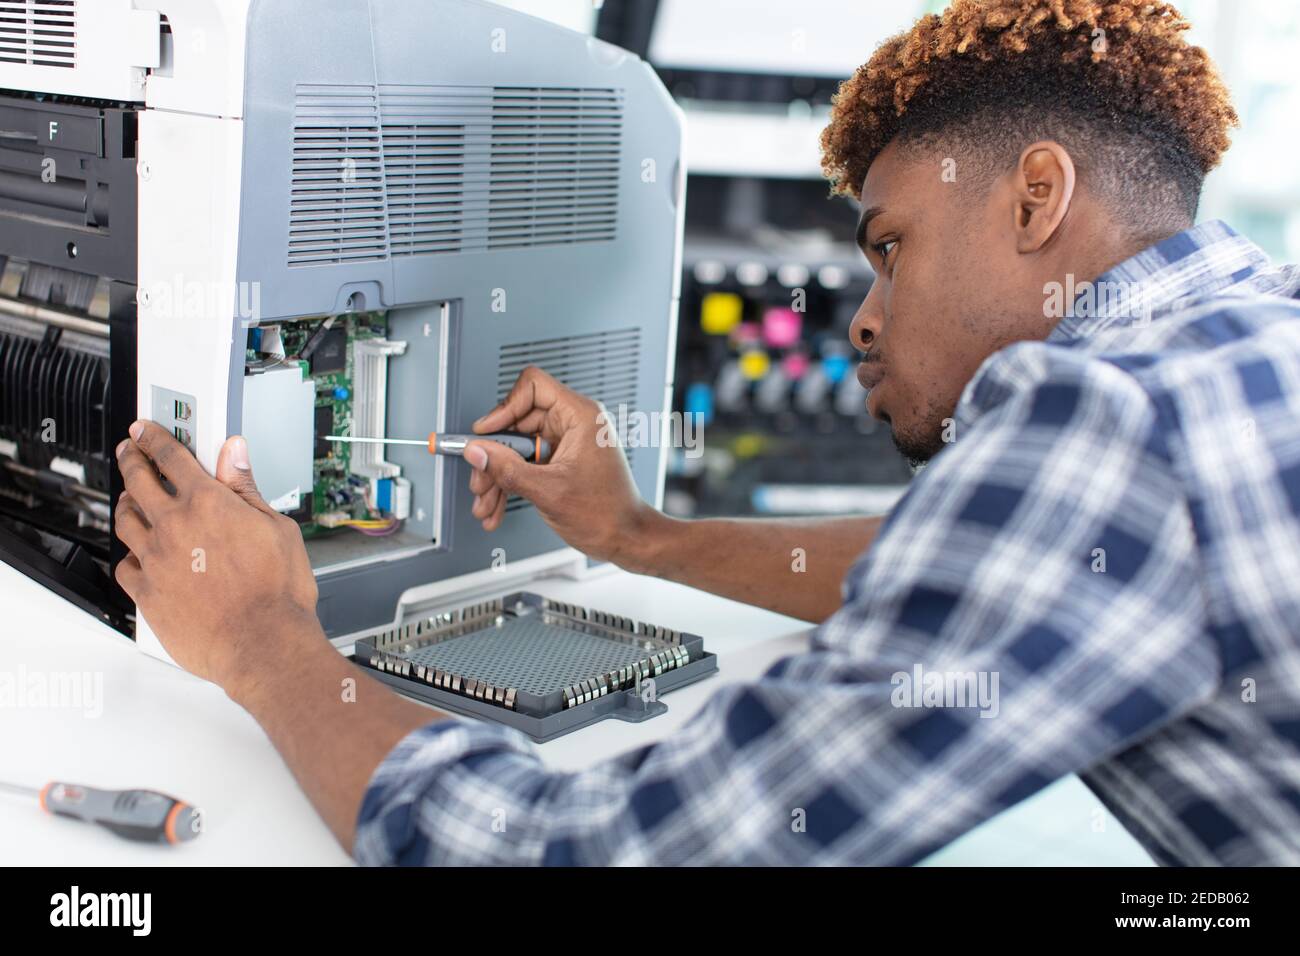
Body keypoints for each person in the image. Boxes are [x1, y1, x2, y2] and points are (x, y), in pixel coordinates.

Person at [111, 0, 1300, 865]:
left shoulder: (1113, 429)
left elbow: (591, 851)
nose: (867, 324)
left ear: (1036, 195)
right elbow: (979, 568)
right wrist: (637, 534)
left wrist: (264, 641)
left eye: (889, 249)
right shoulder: (1245, 338)